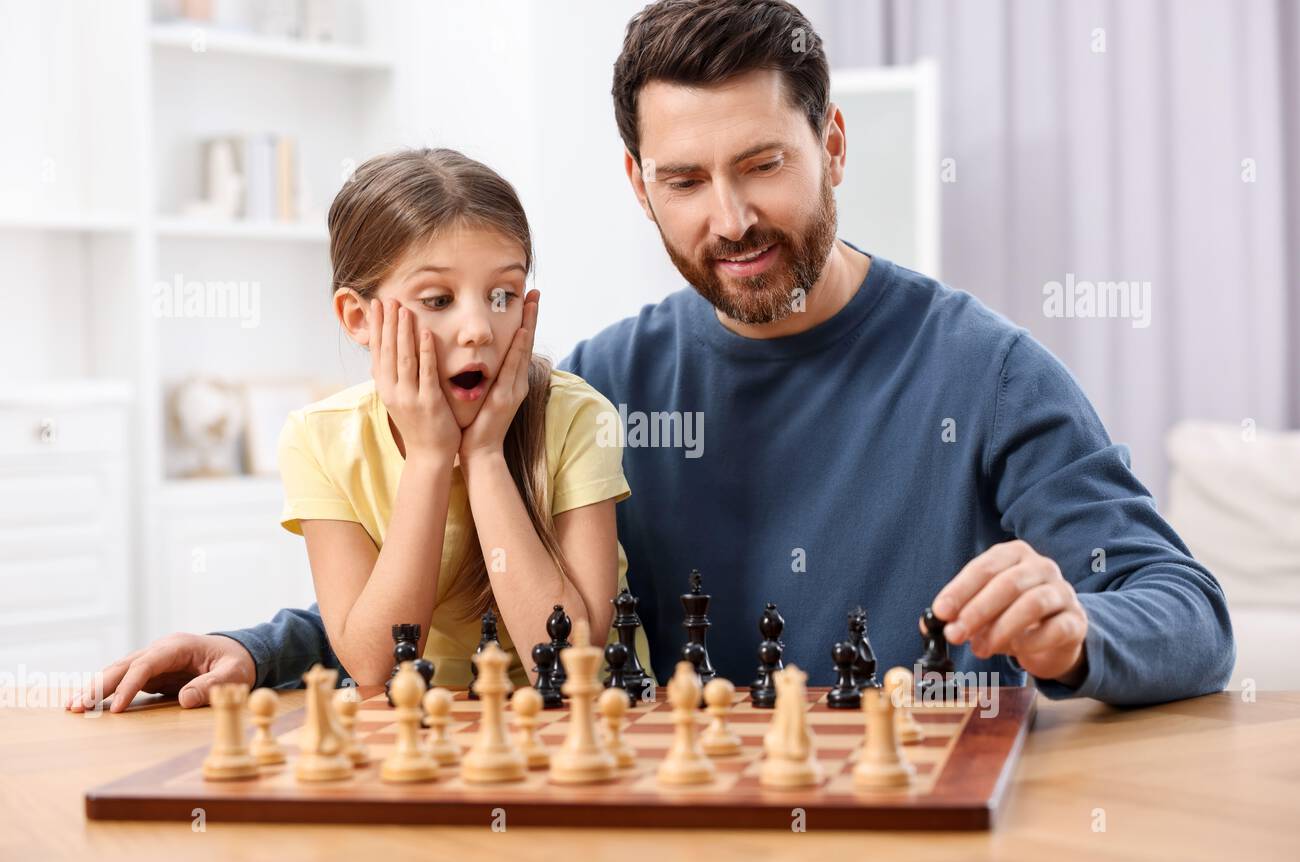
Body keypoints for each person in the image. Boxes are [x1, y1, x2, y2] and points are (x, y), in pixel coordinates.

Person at [73, 0, 1232, 712]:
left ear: (831, 145)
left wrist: (1080, 634)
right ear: (638, 185)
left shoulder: (986, 371)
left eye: (763, 164)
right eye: (683, 180)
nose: (727, 218)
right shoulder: (590, 386)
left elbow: (1186, 611)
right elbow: (459, 603)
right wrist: (252, 644)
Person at [69, 147, 646, 710]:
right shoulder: (319, 439)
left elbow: (574, 662)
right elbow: (373, 667)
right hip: (428, 735)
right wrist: (427, 458)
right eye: (438, 298)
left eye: (503, 295)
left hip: (579, 728)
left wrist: (487, 456)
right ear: (358, 318)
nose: (478, 328)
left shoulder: (576, 418)